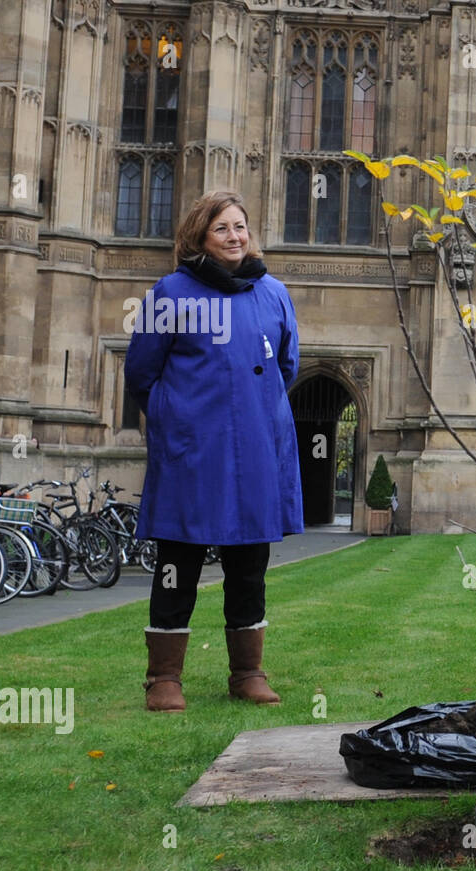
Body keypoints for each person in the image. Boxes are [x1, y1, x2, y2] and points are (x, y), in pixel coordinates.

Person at [125, 190, 304, 712]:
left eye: (241, 227)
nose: (235, 236)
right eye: (222, 228)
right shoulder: (170, 294)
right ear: (199, 235)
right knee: (176, 564)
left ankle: (247, 672)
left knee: (249, 566)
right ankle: (164, 678)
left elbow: (285, 366)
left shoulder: (273, 293)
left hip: (254, 454)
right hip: (193, 455)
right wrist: (177, 419)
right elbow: (141, 373)